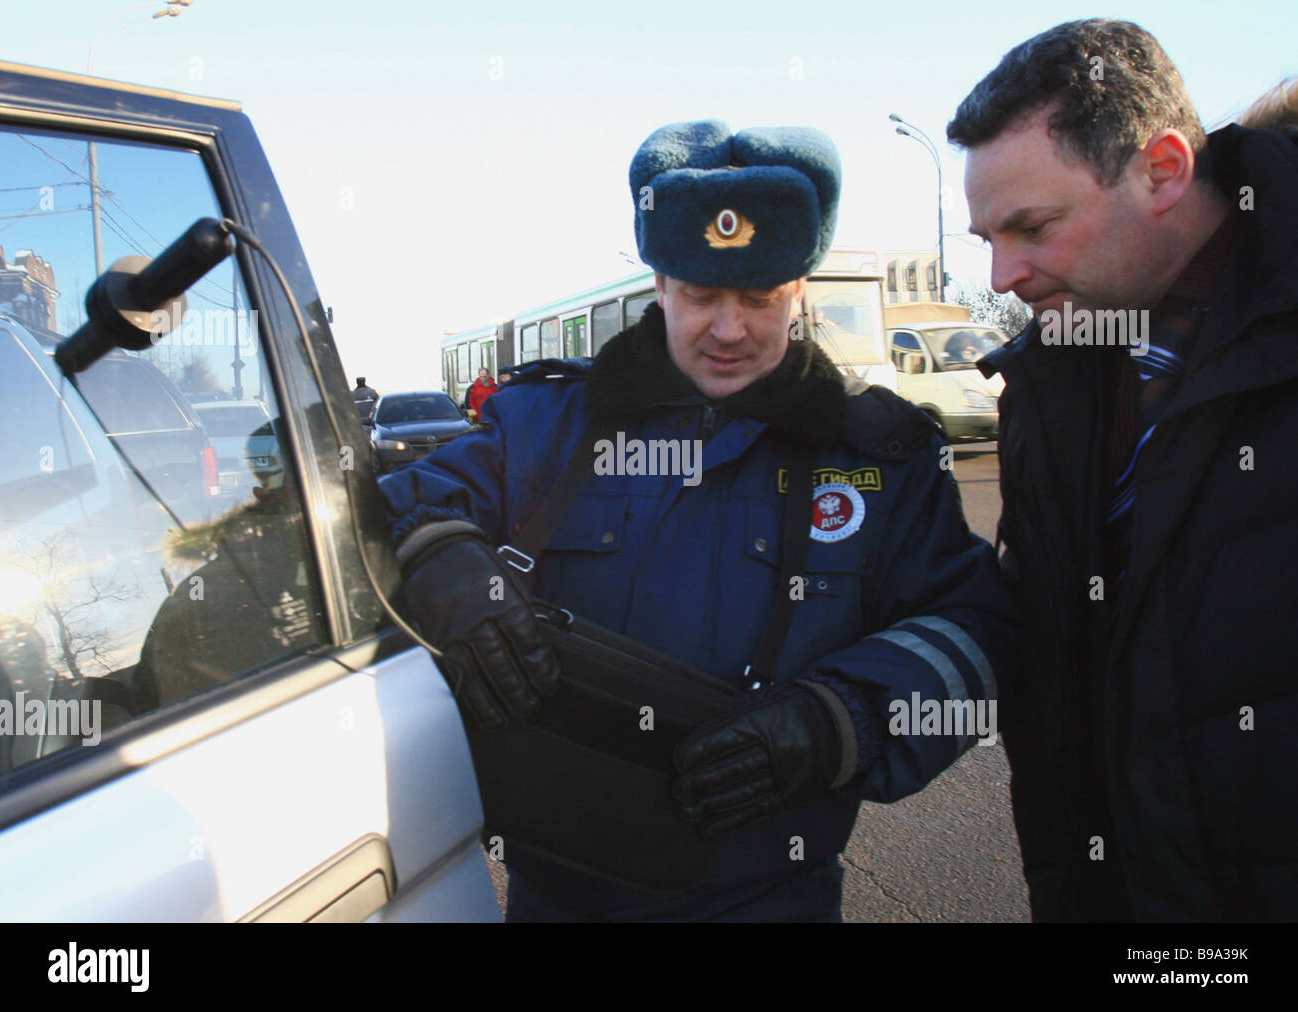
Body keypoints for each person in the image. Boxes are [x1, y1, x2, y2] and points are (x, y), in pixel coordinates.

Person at [380, 119, 1018, 922]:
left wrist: (840, 721)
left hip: (769, 896)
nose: (728, 328)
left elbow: (974, 633)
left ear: (799, 290)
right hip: (560, 896)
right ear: (658, 284)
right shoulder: (544, 423)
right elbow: (393, 510)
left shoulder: (882, 455)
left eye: (759, 297)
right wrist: (443, 560)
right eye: (699, 294)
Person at [948, 19, 1298, 921]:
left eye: (1032, 227)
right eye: (988, 236)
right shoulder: (1048, 375)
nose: (1003, 273)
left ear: (1164, 172)